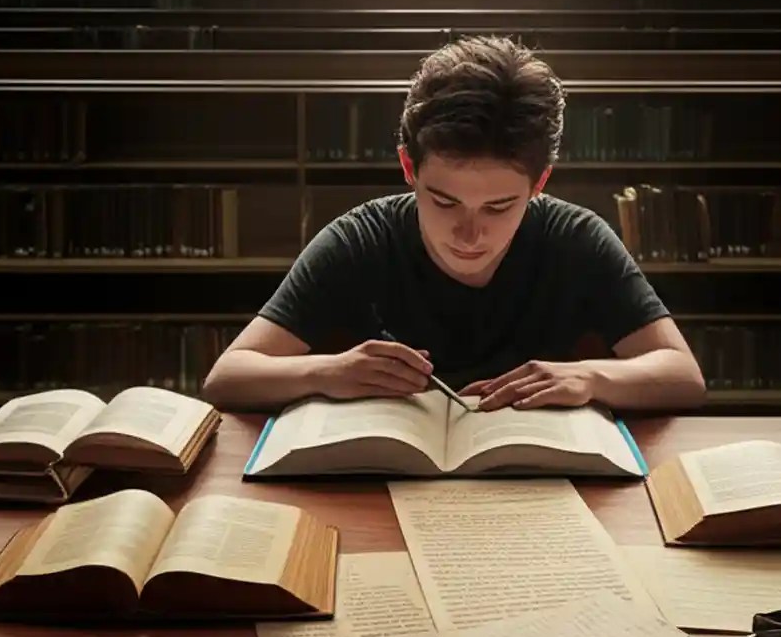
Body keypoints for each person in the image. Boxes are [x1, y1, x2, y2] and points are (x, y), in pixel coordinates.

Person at [202, 35, 705, 413]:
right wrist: (326, 371)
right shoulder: (359, 239)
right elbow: (227, 377)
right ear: (408, 169)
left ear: (540, 183)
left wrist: (593, 378)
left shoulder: (577, 237)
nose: (470, 236)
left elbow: (683, 373)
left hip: (538, 490)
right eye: (443, 202)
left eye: (499, 207)